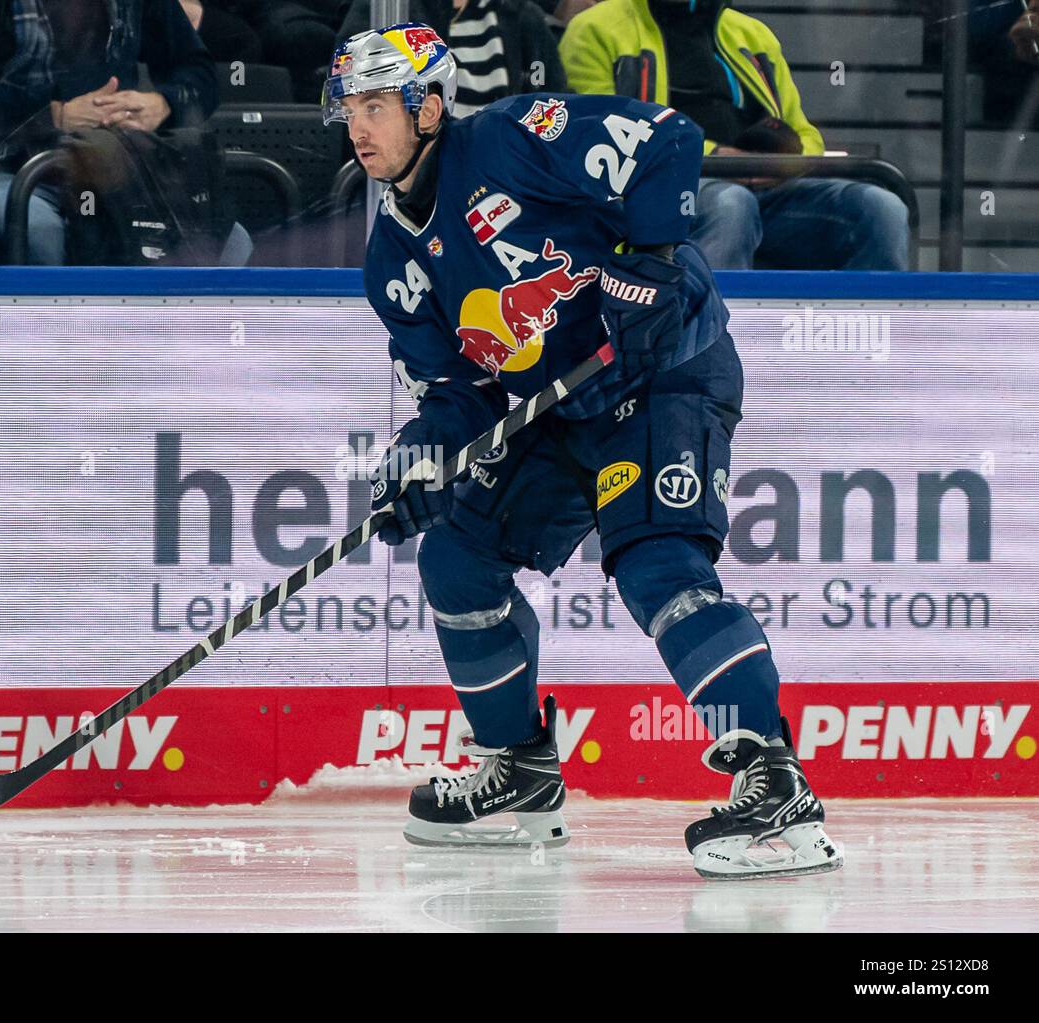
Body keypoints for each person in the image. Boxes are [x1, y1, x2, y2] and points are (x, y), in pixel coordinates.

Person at [322, 22, 843, 878]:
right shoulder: (391, 257)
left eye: (377, 106)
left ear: (430, 107)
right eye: (351, 110)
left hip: (662, 374)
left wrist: (648, 260)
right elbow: (456, 394)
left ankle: (773, 779)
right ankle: (519, 767)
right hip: (554, 407)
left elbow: (667, 140)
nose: (360, 128)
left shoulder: (512, 138)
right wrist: (419, 458)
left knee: (657, 566)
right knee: (456, 556)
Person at [559, 0, 908, 271]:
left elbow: (804, 132)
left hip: (767, 189)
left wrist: (782, 162)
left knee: (880, 207)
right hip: (655, 193)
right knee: (730, 203)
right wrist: (716, 157)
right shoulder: (595, 29)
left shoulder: (752, 34)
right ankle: (709, 349)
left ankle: (874, 352)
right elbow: (605, 132)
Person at [0, 0, 221, 265]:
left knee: (232, 238)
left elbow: (200, 71)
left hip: (116, 168)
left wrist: (162, 103)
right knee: (37, 229)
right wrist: (53, 116)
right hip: (11, 169)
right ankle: (57, 329)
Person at [338, 0, 567, 116]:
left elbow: (553, 101)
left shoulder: (522, 16)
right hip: (420, 177)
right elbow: (348, 87)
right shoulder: (388, 9)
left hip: (506, 172)